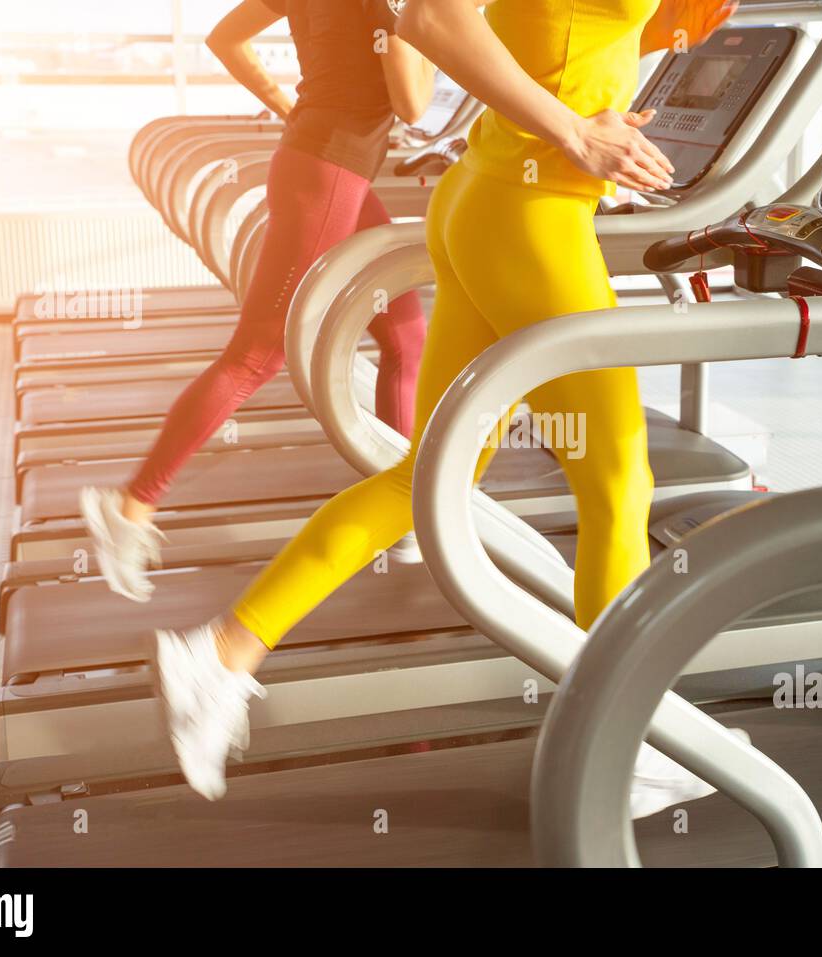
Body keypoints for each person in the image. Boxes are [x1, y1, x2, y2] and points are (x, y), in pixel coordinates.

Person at [153, 0, 739, 812]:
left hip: (488, 196)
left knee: (428, 476)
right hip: (530, 218)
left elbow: (560, 33)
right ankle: (622, 745)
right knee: (617, 484)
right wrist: (575, 132)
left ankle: (220, 653)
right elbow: (431, 15)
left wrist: (592, 102)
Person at [81, 0, 435, 601]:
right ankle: (131, 504)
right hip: (328, 173)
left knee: (405, 332)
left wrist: (289, 106)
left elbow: (226, 38)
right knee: (255, 357)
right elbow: (413, 104)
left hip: (322, 161)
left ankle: (397, 506)